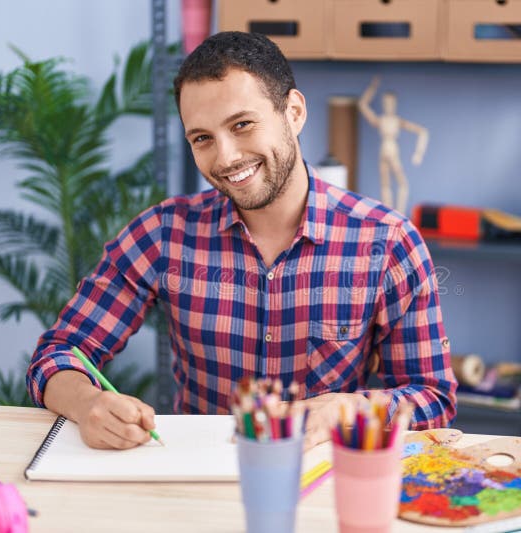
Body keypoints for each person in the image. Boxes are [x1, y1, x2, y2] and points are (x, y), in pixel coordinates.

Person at [26, 31, 457, 450]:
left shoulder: (387, 241)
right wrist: (88, 404)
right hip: (198, 485)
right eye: (203, 139)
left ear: (294, 112)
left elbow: (433, 398)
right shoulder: (162, 234)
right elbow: (59, 353)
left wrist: (351, 408)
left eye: (243, 124)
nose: (226, 157)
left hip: (321, 490)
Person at [358, 76, 429, 215]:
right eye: (386, 102)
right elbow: (362, 105)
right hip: (387, 149)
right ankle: (392, 215)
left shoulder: (395, 121)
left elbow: (422, 132)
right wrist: (372, 88)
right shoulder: (381, 120)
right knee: (389, 184)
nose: (388, 105)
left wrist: (419, 153)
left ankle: (397, 214)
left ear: (395, 104)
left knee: (397, 184)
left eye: (390, 102)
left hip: (388, 149)